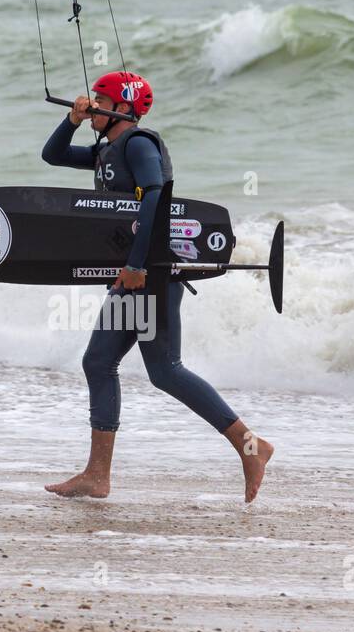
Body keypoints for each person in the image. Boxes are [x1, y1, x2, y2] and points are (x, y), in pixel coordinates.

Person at [40, 70, 274, 502]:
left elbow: (155, 196)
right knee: (99, 362)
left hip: (151, 274)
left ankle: (251, 447)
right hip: (133, 276)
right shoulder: (106, 151)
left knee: (165, 370)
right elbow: (52, 155)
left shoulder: (140, 144)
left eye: (99, 99)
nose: (92, 104)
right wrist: (72, 119)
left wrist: (135, 264)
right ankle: (97, 475)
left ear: (122, 107)